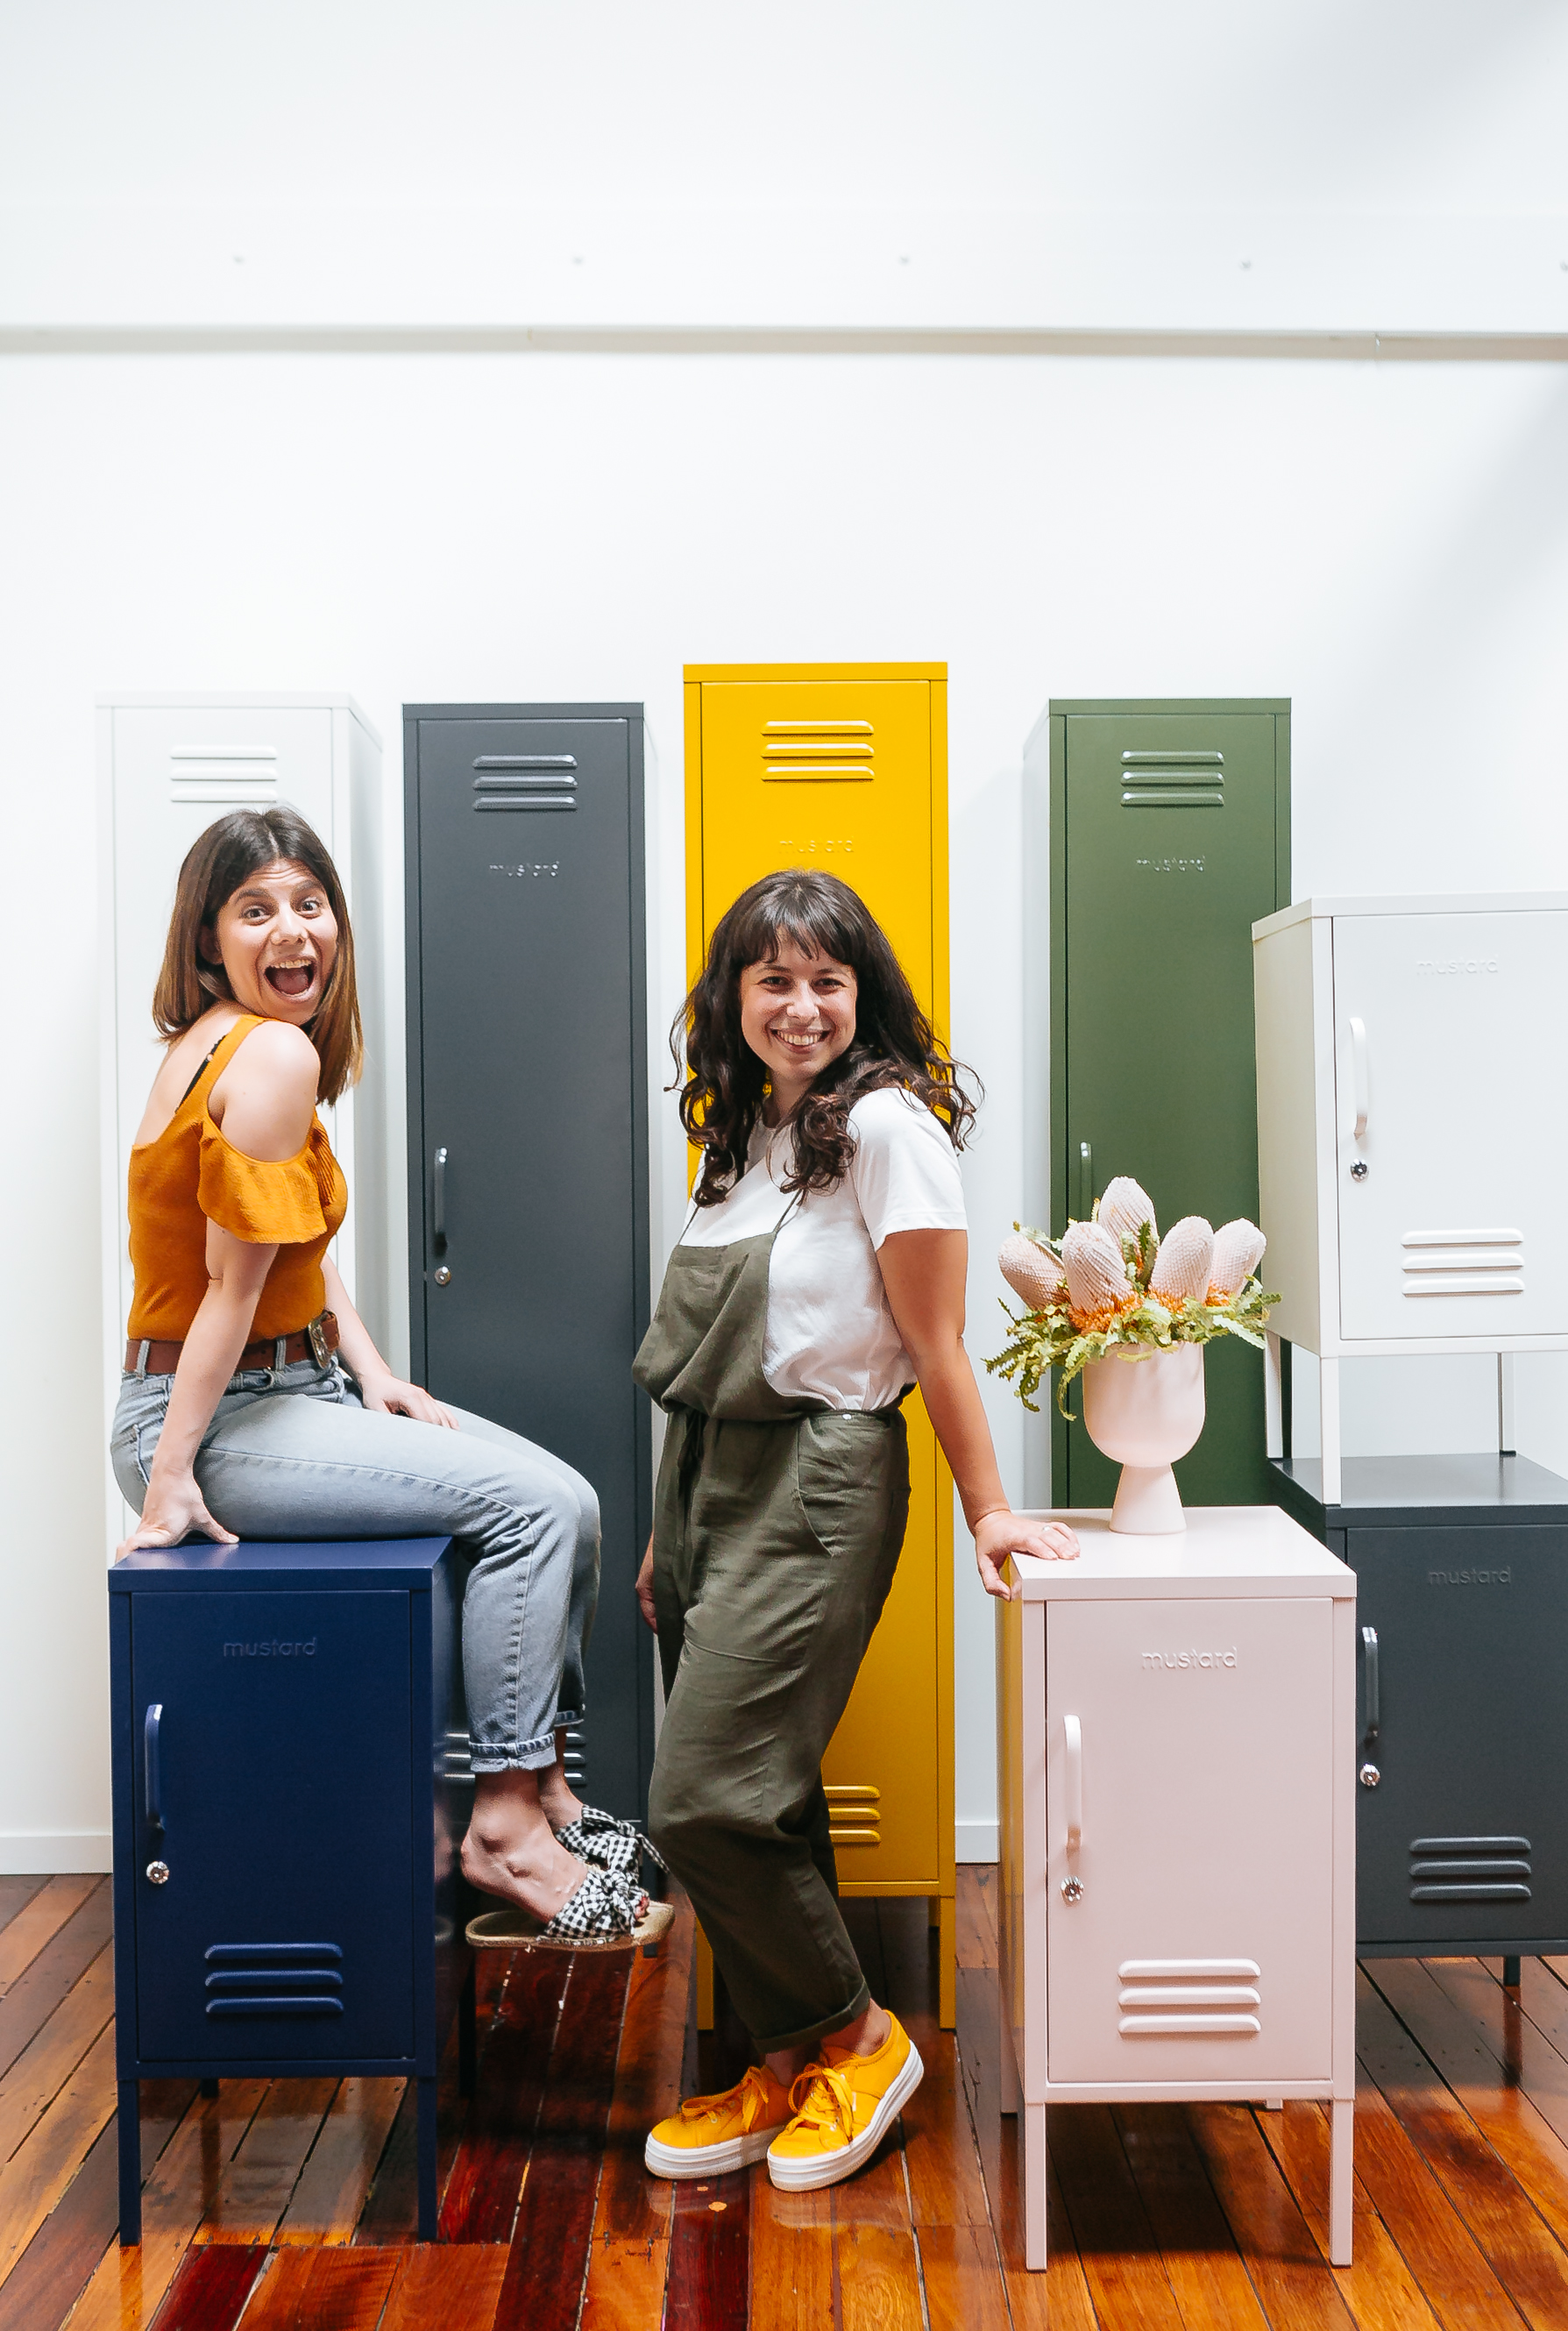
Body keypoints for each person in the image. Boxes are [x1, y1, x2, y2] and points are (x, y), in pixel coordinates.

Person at [111, 806, 650, 1941]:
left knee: (573, 1503)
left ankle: (544, 1784)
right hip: (217, 1420)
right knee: (532, 1511)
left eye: (310, 904)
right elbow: (230, 1291)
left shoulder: (245, 1043)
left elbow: (294, 1250)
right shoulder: (271, 1053)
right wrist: (169, 1478)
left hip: (289, 1392)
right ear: (208, 937)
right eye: (255, 909)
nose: (292, 930)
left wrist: (373, 1373)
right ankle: (504, 1823)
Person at [635, 869, 1078, 2192]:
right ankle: (787, 2067)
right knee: (766, 1795)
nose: (801, 1006)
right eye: (772, 979)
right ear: (732, 998)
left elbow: (937, 1343)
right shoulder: (741, 1136)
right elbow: (705, 1361)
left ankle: (859, 2037)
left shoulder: (888, 1127)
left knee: (701, 1797)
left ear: (862, 993)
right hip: (708, 1476)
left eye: (826, 980)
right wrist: (668, 1531)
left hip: (820, 1477)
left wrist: (989, 1511)